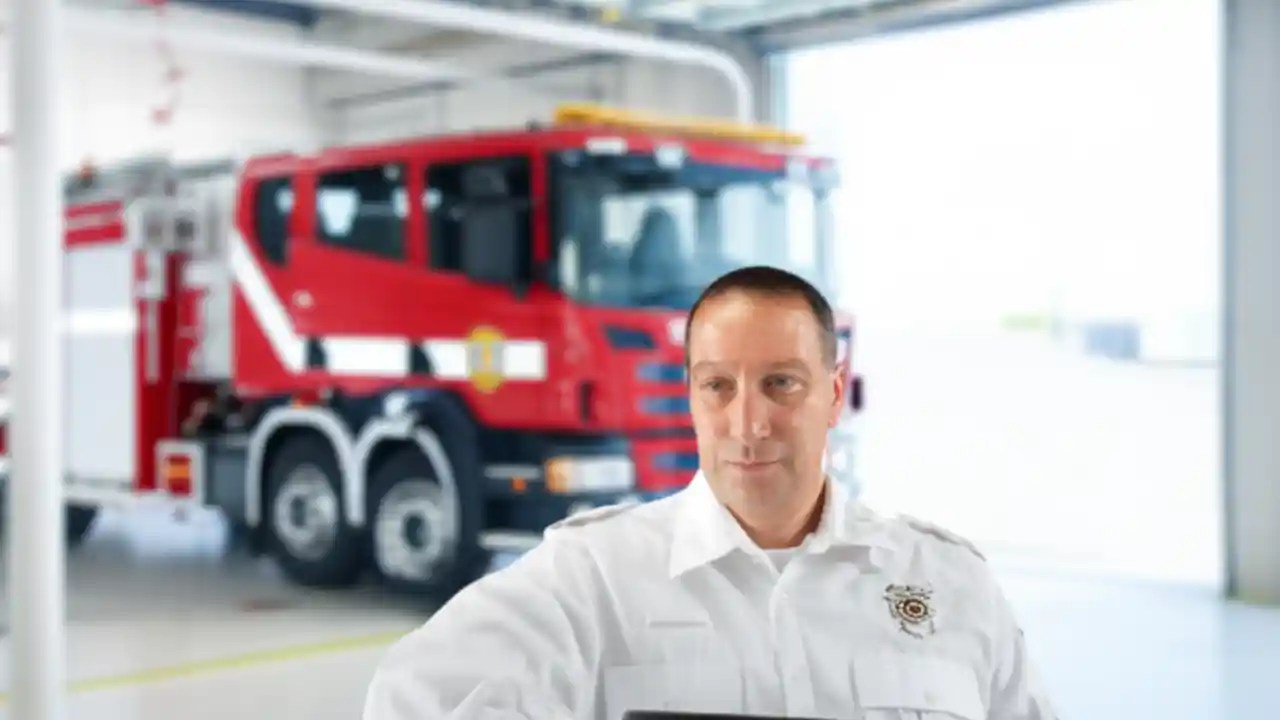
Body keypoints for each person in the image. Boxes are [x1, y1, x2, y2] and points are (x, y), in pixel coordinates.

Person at [363, 266, 1058, 720]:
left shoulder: (951, 583)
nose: (748, 423)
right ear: (692, 397)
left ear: (834, 394)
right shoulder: (592, 579)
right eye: (718, 386)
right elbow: (411, 702)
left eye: (781, 383)